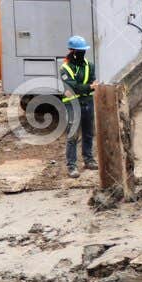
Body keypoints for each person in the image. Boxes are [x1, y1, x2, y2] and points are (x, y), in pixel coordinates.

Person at [60, 35, 95, 178]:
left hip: (88, 102)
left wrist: (88, 87)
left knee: (88, 133)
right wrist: (89, 87)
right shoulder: (65, 68)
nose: (82, 53)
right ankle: (72, 166)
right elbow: (73, 87)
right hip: (72, 104)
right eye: (79, 51)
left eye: (83, 50)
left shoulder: (89, 65)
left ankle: (88, 159)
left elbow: (92, 82)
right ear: (72, 51)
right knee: (73, 136)